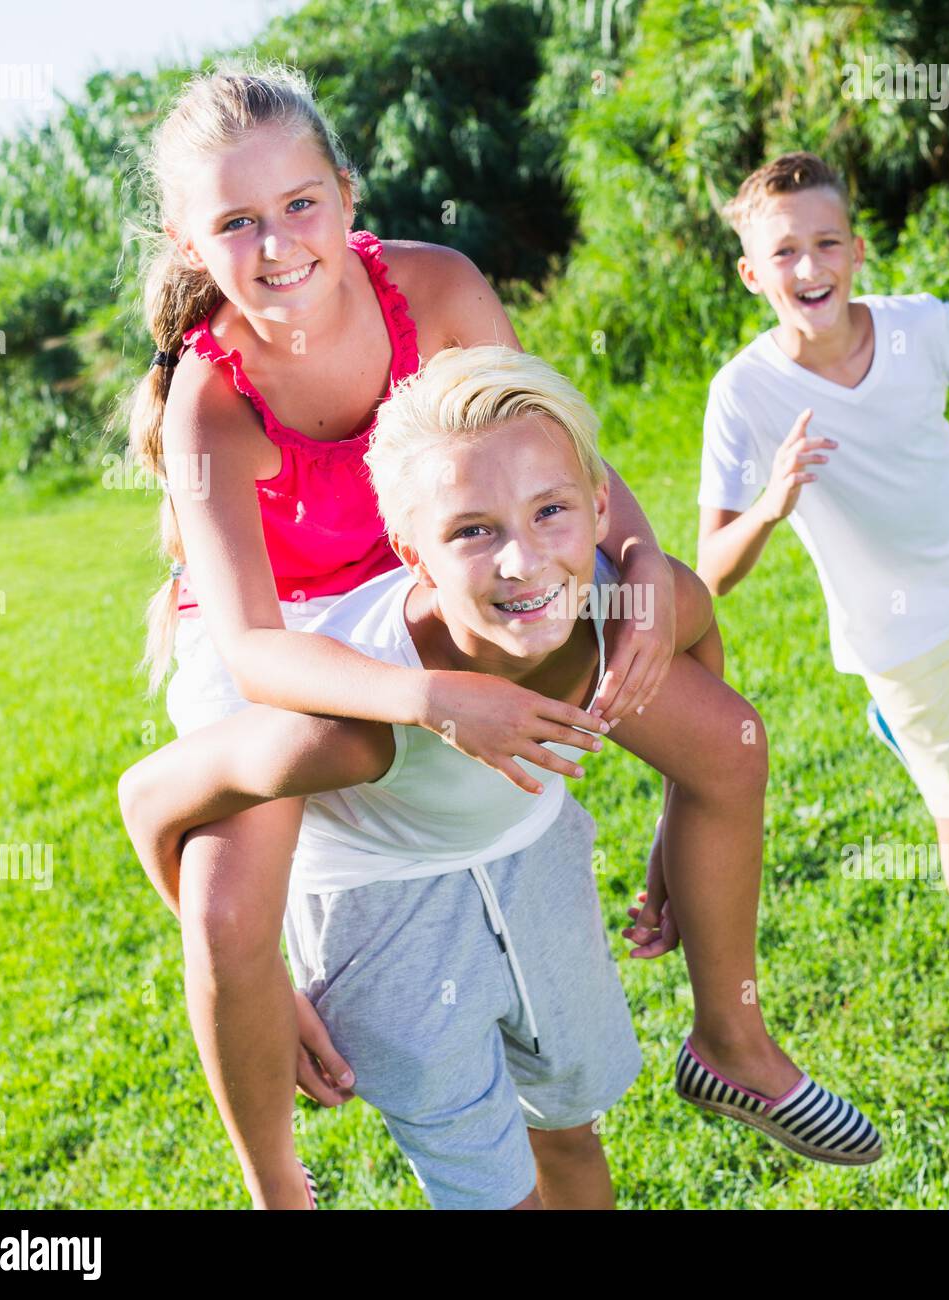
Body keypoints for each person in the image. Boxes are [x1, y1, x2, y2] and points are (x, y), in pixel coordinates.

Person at [120, 346, 883, 1208]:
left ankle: (730, 1049)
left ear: (601, 508)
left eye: (549, 510)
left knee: (569, 1135)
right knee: (494, 1193)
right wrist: (262, 981)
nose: (522, 562)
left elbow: (700, 643)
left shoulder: (615, 612)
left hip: (531, 859)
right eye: (473, 531)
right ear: (412, 555)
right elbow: (149, 801)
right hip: (389, 919)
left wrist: (678, 817)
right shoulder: (353, 722)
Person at [122, 61, 685, 1209]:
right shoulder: (209, 402)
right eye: (235, 223)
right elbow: (252, 648)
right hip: (266, 620)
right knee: (232, 898)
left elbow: (553, 456)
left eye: (299, 204)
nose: (278, 244)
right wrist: (431, 699)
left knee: (648, 653)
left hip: (406, 564)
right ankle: (275, 1178)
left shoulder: (436, 291)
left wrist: (641, 563)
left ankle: (733, 1027)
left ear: (345, 191)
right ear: (189, 243)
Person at [697, 151, 949, 1089]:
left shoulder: (918, 329)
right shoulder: (743, 396)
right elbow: (711, 571)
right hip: (895, 638)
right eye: (784, 252)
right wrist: (770, 504)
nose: (809, 269)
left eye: (825, 242)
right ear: (753, 273)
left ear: (858, 248)